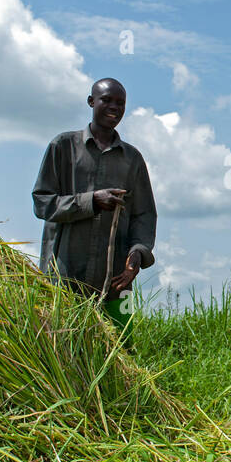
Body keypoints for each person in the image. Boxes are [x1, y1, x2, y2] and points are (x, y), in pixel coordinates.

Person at [32, 77, 156, 297]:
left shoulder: (133, 158)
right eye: (106, 100)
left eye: (120, 103)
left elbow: (144, 215)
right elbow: (42, 203)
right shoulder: (62, 146)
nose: (114, 108)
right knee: (62, 332)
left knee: (118, 331)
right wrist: (92, 201)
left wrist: (138, 253)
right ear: (91, 101)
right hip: (63, 277)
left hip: (116, 281)